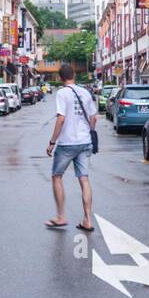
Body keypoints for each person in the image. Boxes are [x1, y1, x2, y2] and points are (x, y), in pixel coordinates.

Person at [45, 63, 98, 233]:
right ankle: (88, 220)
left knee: (56, 176)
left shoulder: (62, 93)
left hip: (67, 143)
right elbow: (94, 118)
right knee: (84, 178)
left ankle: (61, 216)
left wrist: (52, 142)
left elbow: (61, 119)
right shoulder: (85, 92)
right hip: (84, 141)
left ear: (60, 78)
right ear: (74, 75)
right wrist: (88, 132)